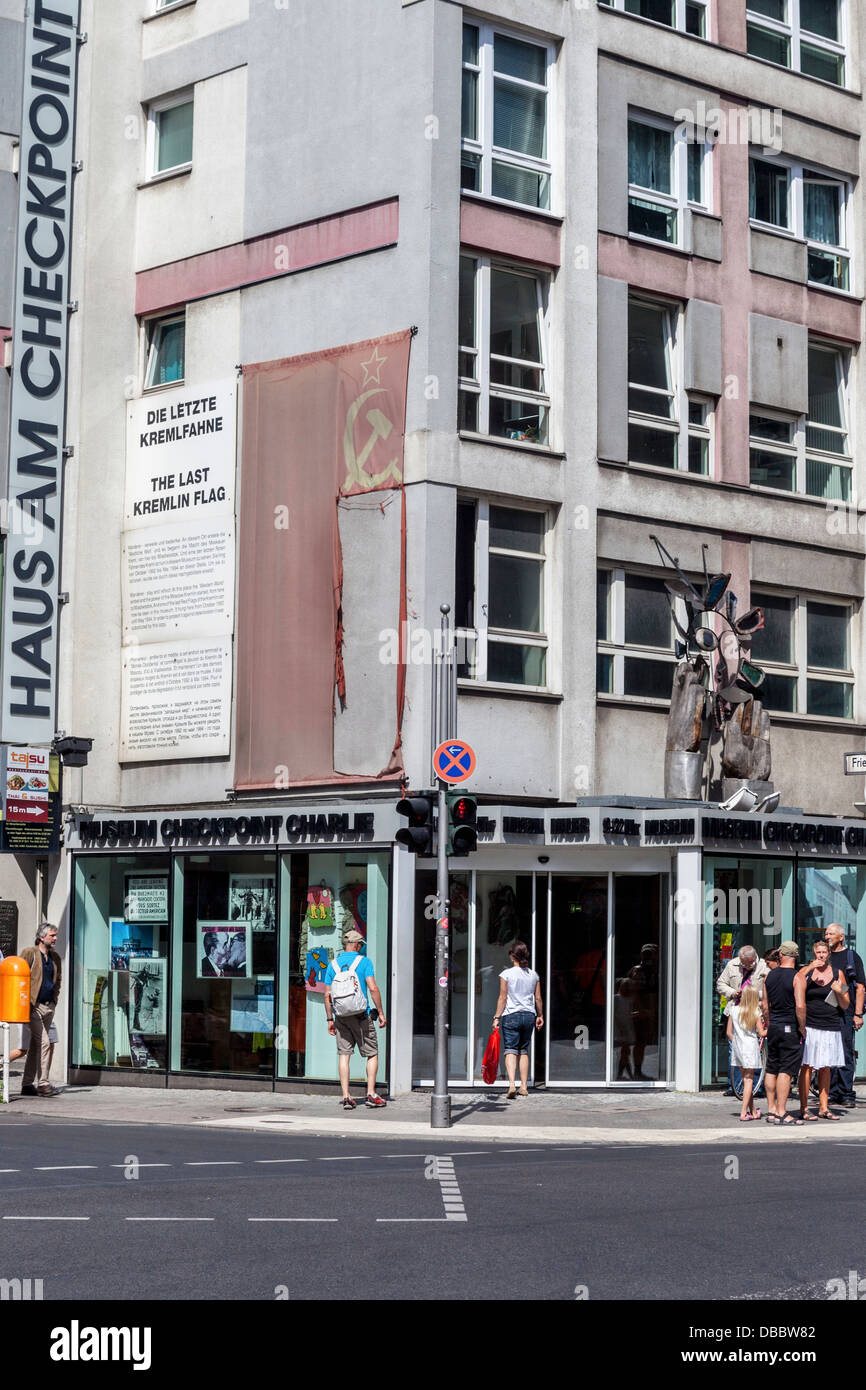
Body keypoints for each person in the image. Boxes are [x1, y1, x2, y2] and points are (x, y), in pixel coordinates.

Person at [324, 928, 387, 1110]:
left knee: (344, 1055)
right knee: (372, 1053)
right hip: (361, 1015)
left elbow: (326, 995)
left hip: (341, 1016)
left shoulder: (333, 965)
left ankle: (346, 1097)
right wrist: (381, 1013)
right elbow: (373, 988)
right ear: (357, 945)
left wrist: (330, 1019)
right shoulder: (364, 962)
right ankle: (371, 1094)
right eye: (360, 944)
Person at [795, 938, 849, 1121]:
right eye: (818, 952)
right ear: (814, 954)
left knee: (825, 1067)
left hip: (830, 1023)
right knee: (807, 1066)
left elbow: (845, 1004)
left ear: (829, 954)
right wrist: (811, 967)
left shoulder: (837, 973)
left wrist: (840, 991)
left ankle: (824, 1107)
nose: (821, 955)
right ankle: (804, 1107)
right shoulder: (807, 972)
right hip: (811, 1024)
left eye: (824, 952)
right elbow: (797, 980)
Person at [716, 945, 769, 1096]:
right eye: (743, 963)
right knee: (735, 1047)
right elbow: (720, 984)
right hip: (735, 1008)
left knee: (756, 1047)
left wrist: (752, 995)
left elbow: (769, 990)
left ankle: (755, 1087)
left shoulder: (764, 966)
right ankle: (735, 1085)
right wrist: (733, 992)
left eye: (749, 963)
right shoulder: (732, 964)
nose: (746, 966)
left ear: (755, 957)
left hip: (754, 1010)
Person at [492, 940, 543, 1098]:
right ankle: (524, 1086)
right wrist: (540, 1015)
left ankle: (512, 1085)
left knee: (510, 1050)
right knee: (523, 1050)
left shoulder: (506, 974)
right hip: (528, 1015)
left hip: (511, 1015)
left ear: (512, 956)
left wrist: (496, 1017)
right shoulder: (533, 974)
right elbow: (538, 998)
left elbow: (503, 997)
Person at [761, 940, 804, 1126]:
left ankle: (771, 1109)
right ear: (796, 956)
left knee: (772, 1067)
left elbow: (764, 1005)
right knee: (786, 1070)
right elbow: (800, 1006)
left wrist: (770, 1024)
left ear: (780, 955)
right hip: (789, 1026)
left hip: (774, 1026)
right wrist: (802, 1028)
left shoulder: (768, 976)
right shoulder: (798, 977)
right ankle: (781, 1111)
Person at [824, 922, 865, 1109]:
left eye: (831, 933)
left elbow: (861, 987)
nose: (827, 936)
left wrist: (858, 1014)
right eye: (826, 933)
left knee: (846, 1053)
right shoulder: (823, 957)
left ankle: (846, 1093)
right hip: (825, 1013)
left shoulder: (851, 957)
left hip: (846, 1013)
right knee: (828, 1055)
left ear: (841, 937)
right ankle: (831, 1092)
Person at [20, 923, 62, 1097]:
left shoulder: (55, 957)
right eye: (52, 935)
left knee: (36, 1045)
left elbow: (57, 980)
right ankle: (43, 1084)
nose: (55, 938)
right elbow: (20, 977)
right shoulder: (30, 953)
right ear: (42, 937)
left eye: (56, 935)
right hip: (33, 1007)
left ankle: (27, 1084)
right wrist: (25, 1003)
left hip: (48, 1006)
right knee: (44, 1042)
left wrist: (54, 1000)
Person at [726, 985, 766, 1121]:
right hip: (750, 1046)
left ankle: (753, 1111)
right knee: (749, 1080)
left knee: (745, 1079)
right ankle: (743, 1113)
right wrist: (770, 1029)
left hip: (738, 1046)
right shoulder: (755, 1012)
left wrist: (737, 1040)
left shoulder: (734, 1010)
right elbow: (761, 1033)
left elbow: (728, 1032)